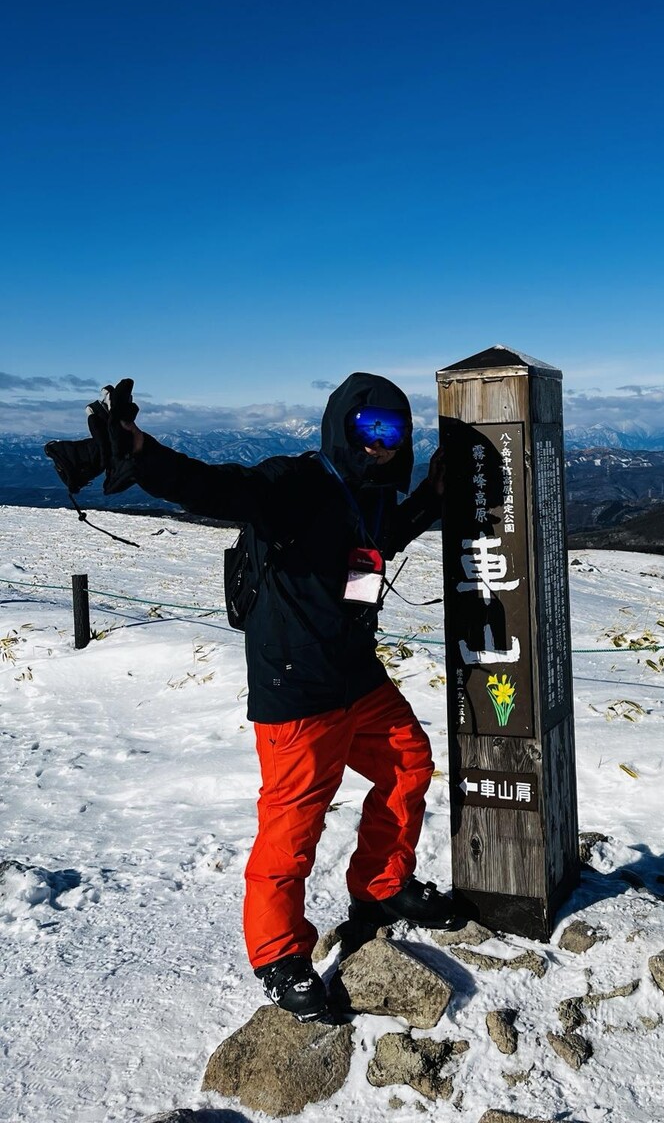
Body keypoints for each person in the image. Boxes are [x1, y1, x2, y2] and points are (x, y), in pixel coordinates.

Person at [119, 373, 453, 1024]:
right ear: (342, 428)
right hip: (297, 692)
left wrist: (433, 499)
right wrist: (140, 455)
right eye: (370, 429)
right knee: (293, 826)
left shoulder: (373, 493)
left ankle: (382, 891)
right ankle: (278, 956)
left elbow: (381, 543)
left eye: (394, 431)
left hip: (356, 678)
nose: (383, 444)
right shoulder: (295, 483)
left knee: (408, 762)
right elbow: (217, 489)